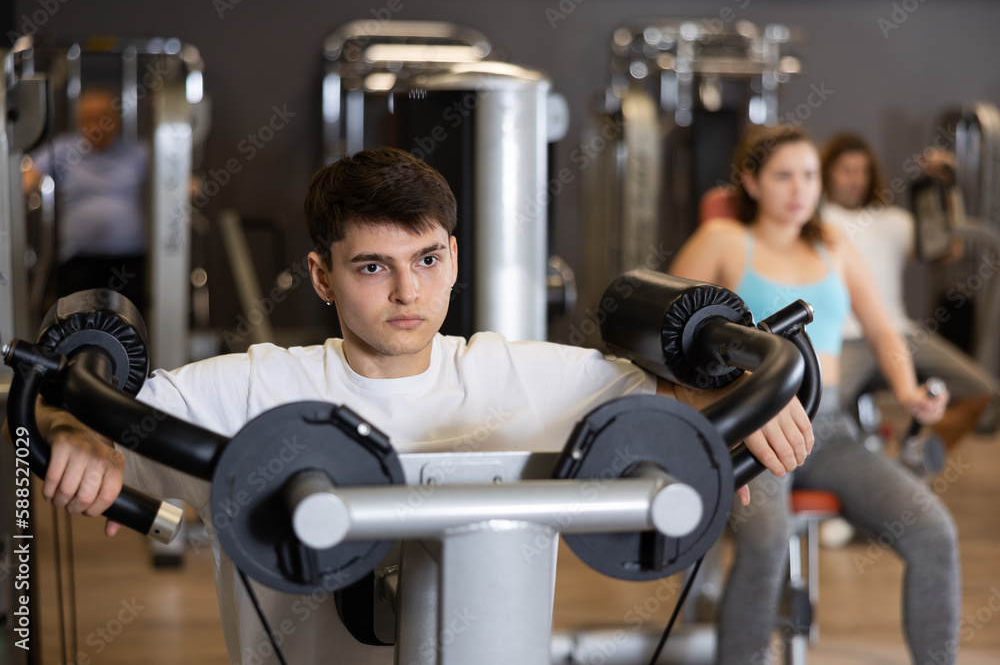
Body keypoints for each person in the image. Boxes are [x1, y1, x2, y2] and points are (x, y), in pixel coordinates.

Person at [4, 147, 812, 665]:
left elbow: (670, 402)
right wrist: (79, 433)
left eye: (427, 258)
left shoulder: (518, 376)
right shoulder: (255, 386)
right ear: (322, 277)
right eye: (372, 267)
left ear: (454, 257)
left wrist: (736, 393)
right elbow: (82, 406)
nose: (408, 290)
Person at [669, 125, 959, 664]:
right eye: (783, 175)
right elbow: (668, 332)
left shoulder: (832, 245)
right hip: (754, 431)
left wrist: (909, 391)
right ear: (751, 181)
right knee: (765, 545)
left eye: (809, 176)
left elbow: (882, 330)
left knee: (933, 532)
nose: (800, 189)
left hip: (829, 432)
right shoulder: (723, 241)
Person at [821, 132, 999, 451]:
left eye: (862, 170)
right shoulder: (814, 220)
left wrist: (944, 185)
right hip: (842, 338)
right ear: (826, 173)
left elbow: (949, 249)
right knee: (819, 411)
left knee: (980, 390)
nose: (855, 179)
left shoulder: (894, 221)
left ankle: (920, 458)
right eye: (846, 170)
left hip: (898, 335)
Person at [24, 87, 150, 313]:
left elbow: (174, 178)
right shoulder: (63, 150)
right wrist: (28, 183)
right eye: (88, 119)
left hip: (127, 259)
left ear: (116, 120)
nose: (96, 126)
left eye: (103, 119)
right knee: (75, 324)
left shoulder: (137, 152)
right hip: (78, 258)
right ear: (78, 121)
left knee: (128, 325)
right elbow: (28, 174)